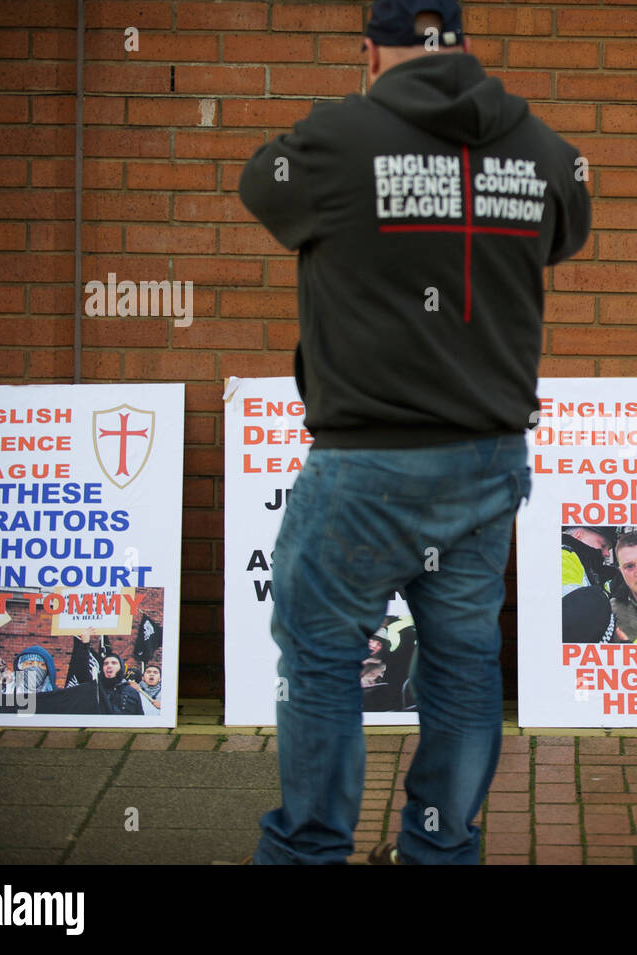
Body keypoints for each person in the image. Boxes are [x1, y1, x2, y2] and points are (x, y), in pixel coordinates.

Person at [238, 0, 590, 865]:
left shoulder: (335, 138)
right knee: (464, 663)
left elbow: (259, 185)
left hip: (368, 462)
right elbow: (567, 227)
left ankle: (311, 851)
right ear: (465, 40)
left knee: (321, 658)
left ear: (369, 50)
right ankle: (438, 850)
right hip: (487, 458)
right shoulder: (541, 147)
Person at [562, 526, 614, 594]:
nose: (607, 554)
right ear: (578, 536)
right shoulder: (564, 557)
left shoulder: (591, 568)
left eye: (609, 549)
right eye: (603, 545)